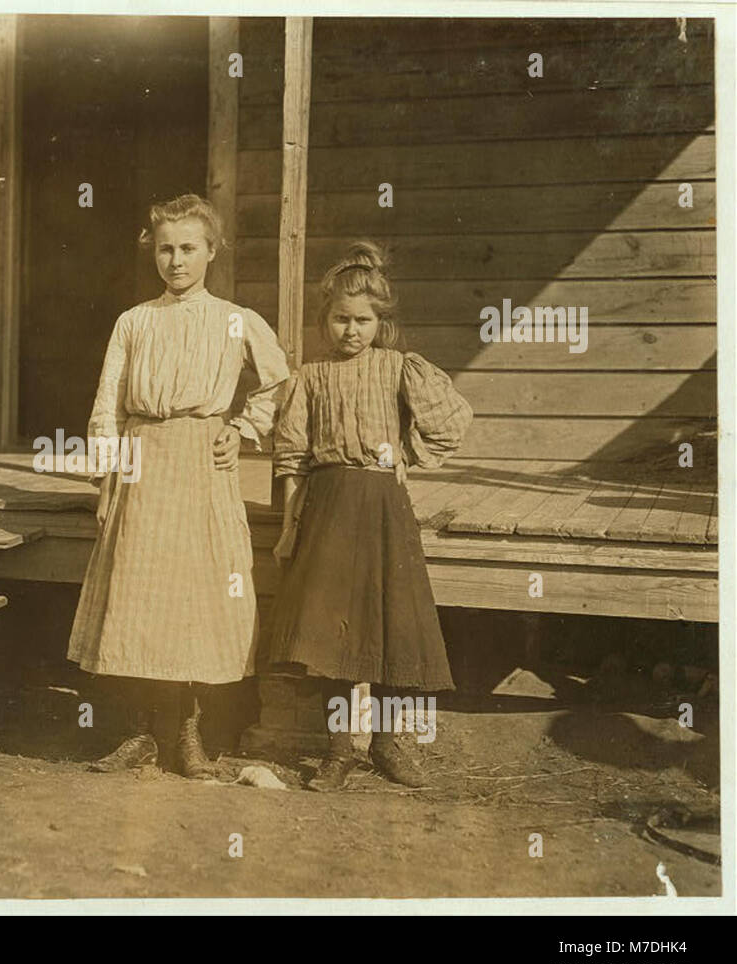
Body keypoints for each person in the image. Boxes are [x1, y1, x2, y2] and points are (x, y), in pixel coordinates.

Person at [68, 194, 290, 778]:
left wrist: (241, 430)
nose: (176, 261)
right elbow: (107, 403)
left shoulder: (235, 319)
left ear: (212, 251)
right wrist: (107, 476)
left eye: (188, 248)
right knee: (141, 596)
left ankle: (189, 734)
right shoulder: (134, 321)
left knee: (194, 597)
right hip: (142, 460)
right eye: (165, 249)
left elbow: (278, 385)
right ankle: (141, 734)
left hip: (200, 461)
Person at [268, 242, 473, 792]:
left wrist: (404, 454)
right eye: (340, 319)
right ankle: (338, 751)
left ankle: (386, 745)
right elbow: (292, 457)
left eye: (363, 320)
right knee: (334, 637)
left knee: (390, 630)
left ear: (381, 322)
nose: (350, 331)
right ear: (324, 320)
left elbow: (451, 420)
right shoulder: (308, 378)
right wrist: (290, 528)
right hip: (328, 510)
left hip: (384, 508)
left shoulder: (397, 368)